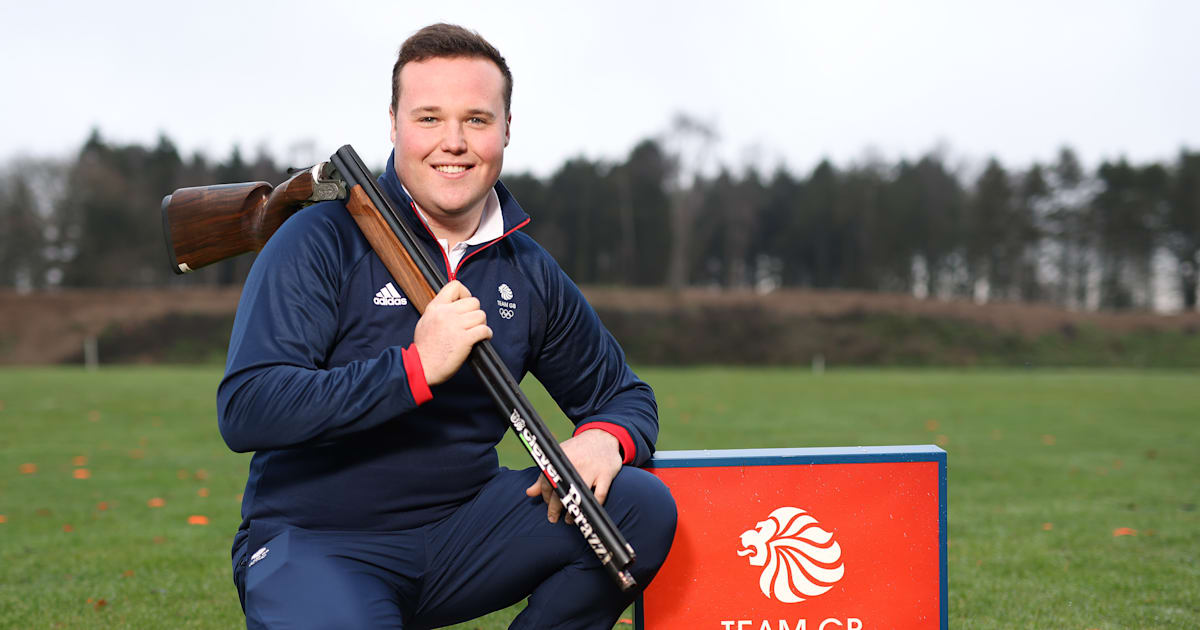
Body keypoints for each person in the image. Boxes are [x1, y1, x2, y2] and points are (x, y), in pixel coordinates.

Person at [216, 23, 677, 629]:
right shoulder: (316, 238)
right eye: (429, 118)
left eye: (477, 120)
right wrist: (414, 367)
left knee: (640, 508)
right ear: (394, 123)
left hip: (463, 535)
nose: (453, 142)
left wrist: (603, 439)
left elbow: (625, 396)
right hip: (317, 540)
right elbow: (249, 407)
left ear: (507, 128)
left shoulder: (526, 269)